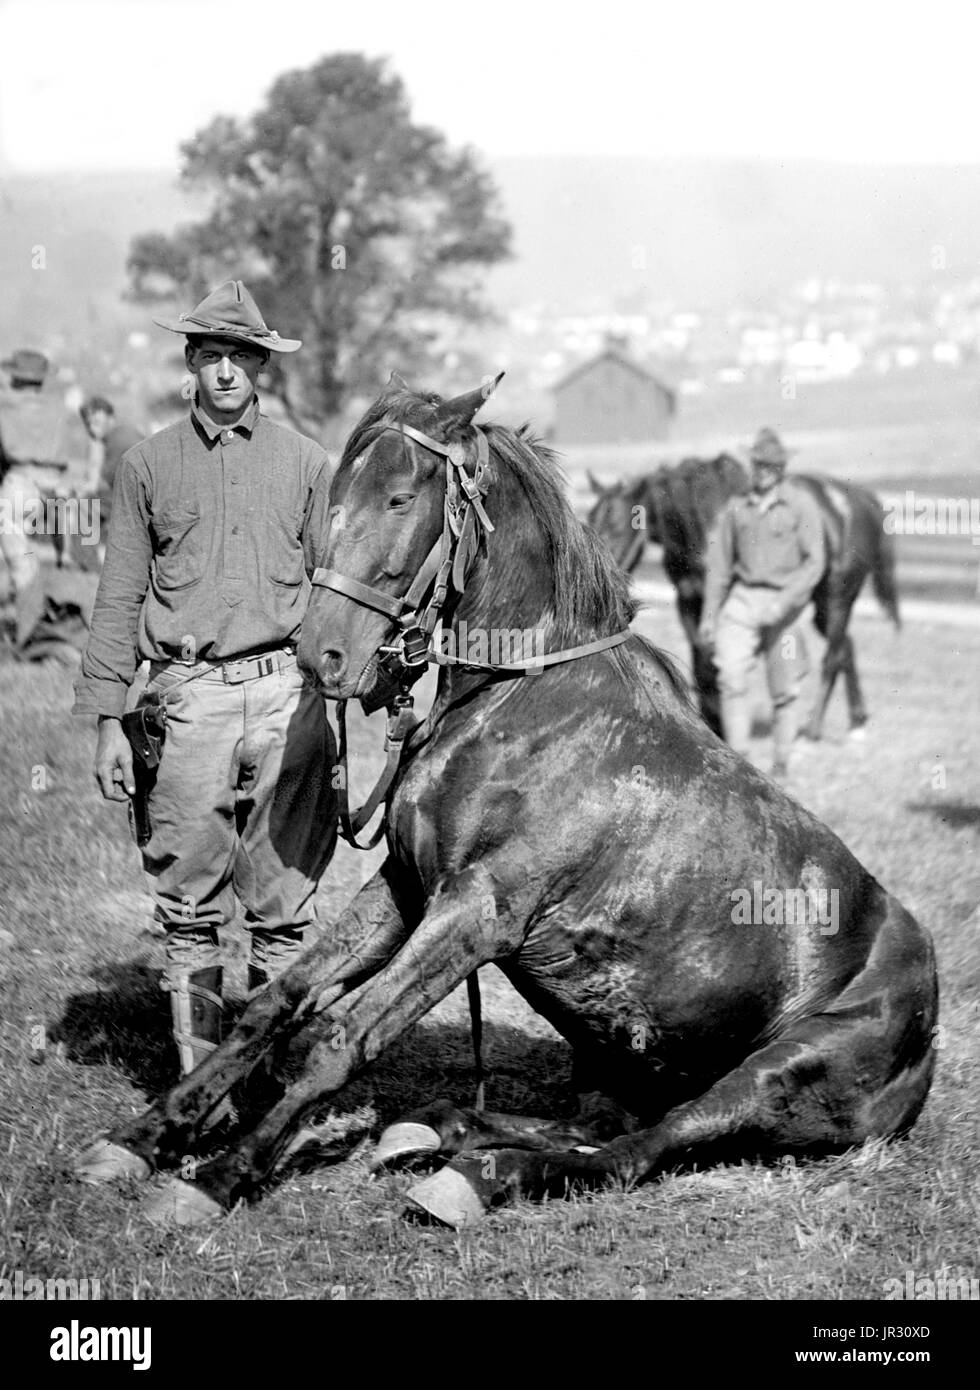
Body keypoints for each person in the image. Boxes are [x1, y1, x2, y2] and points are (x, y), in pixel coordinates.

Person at [74, 280, 338, 1077]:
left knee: (282, 908)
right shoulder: (147, 465)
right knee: (188, 904)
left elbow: (336, 590)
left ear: (262, 365)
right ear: (191, 363)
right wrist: (105, 721)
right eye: (210, 355)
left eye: (240, 357)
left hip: (288, 697)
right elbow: (119, 595)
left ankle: (264, 1086)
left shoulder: (306, 463)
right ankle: (199, 1087)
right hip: (185, 701)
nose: (225, 371)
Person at [698, 427, 825, 778]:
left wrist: (784, 603)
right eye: (758, 464)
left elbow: (815, 563)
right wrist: (710, 615)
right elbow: (720, 566)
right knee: (731, 676)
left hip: (787, 606)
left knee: (784, 687)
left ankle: (782, 762)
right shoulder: (736, 508)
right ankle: (739, 764)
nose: (763, 471)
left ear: (782, 468)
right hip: (743, 601)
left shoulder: (801, 505)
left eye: (771, 465)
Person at [0, 349, 90, 644]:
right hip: (54, 488)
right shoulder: (58, 409)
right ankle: (39, 619)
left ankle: (30, 630)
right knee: (55, 558)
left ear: (15, 376)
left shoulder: (6, 405)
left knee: (19, 559)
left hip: (20, 484)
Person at [78, 395, 144, 561]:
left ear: (111, 418)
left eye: (97, 423)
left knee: (86, 504)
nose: (93, 429)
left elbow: (99, 483)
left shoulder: (118, 439)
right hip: (137, 495)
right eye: (89, 424)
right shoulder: (124, 432)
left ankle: (90, 561)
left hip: (139, 499)